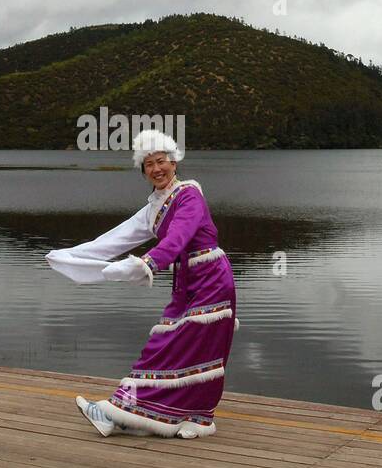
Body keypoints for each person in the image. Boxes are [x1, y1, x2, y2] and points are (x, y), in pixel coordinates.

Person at [46, 128, 238, 439]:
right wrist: (67, 258)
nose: (156, 169)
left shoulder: (189, 195)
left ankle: (200, 418)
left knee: (192, 348)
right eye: (149, 164)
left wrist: (148, 263)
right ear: (143, 171)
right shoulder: (154, 208)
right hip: (187, 282)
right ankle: (124, 414)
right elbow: (112, 241)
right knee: (171, 347)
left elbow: (178, 238)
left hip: (212, 279)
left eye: (161, 161)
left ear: (174, 163)